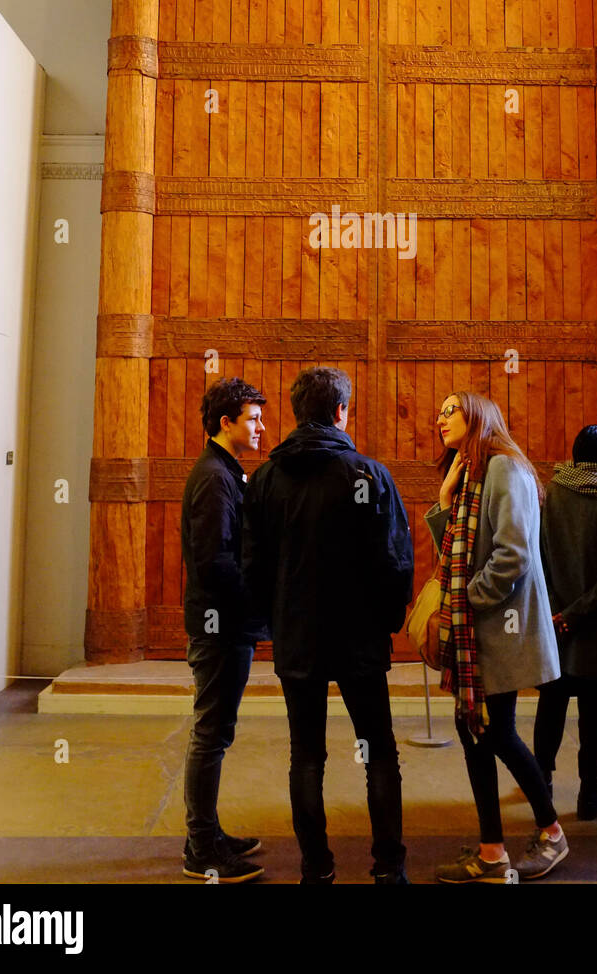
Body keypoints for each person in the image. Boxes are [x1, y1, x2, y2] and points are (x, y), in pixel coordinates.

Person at [242, 366, 414, 885]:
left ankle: (316, 869)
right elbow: (395, 561)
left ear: (297, 412)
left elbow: (253, 565)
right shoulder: (366, 474)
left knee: (306, 754)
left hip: (298, 637)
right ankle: (388, 868)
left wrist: (270, 622)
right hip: (359, 636)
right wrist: (387, 622)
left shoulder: (268, 478)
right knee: (378, 751)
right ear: (342, 411)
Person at [426, 392, 567, 883]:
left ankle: (551, 833)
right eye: (439, 413)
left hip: (498, 627)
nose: (440, 418)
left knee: (496, 732)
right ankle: (491, 850)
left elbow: (513, 554)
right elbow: (452, 551)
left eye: (451, 409)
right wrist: (444, 502)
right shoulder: (469, 474)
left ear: (479, 415)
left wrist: (471, 597)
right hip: (477, 634)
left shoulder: (504, 469)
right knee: (475, 732)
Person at [180, 377, 267, 883]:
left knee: (217, 731)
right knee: (211, 734)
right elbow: (215, 563)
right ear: (225, 423)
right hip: (219, 627)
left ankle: (208, 833)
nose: (260, 427)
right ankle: (200, 849)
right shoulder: (215, 477)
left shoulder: (225, 471)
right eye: (252, 418)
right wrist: (254, 604)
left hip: (225, 624)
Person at [534, 424, 597, 818]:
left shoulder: (553, 491)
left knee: (551, 706)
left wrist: (558, 614)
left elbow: (538, 556)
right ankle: (589, 794)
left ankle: (540, 784)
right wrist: (577, 614)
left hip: (554, 622)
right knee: (594, 717)